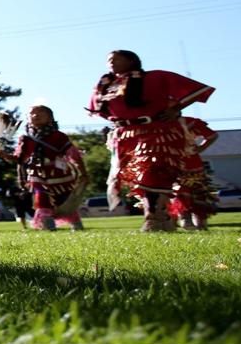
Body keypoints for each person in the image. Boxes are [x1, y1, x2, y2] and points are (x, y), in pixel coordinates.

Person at [86, 49, 215, 233]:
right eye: (109, 60)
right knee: (135, 178)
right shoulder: (106, 84)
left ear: (131, 61)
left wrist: (176, 108)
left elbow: (195, 90)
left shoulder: (155, 77)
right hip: (125, 135)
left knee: (152, 172)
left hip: (157, 131)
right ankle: (162, 216)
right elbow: (99, 110)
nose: (111, 63)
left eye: (116, 59)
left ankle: (154, 218)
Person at [0, 106, 85, 231]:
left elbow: (73, 154)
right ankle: (50, 230)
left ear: (50, 118)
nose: (35, 115)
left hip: (60, 177)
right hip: (38, 176)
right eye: (32, 113)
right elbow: (20, 158)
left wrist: (83, 172)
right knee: (42, 203)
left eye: (40, 112)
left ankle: (77, 228)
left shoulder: (59, 136)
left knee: (65, 203)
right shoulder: (26, 138)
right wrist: (4, 155)